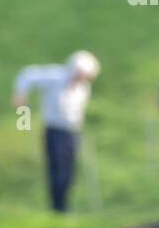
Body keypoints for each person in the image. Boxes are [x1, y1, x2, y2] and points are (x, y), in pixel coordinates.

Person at [12, 51, 101, 212]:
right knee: (58, 170)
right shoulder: (55, 77)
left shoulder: (84, 88)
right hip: (55, 131)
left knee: (69, 172)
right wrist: (21, 95)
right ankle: (57, 207)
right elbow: (27, 74)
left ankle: (64, 206)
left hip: (73, 132)